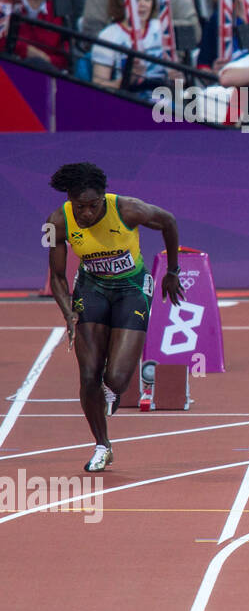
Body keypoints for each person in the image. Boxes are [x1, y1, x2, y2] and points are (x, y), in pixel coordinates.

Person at [45, 162, 183, 473]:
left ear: (104, 198)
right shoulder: (56, 222)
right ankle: (102, 446)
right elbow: (56, 277)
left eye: (94, 206)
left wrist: (172, 271)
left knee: (116, 379)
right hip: (91, 289)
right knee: (88, 374)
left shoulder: (128, 209)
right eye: (80, 207)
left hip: (131, 289)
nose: (87, 214)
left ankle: (112, 384)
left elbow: (169, 222)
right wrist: (68, 313)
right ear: (69, 201)